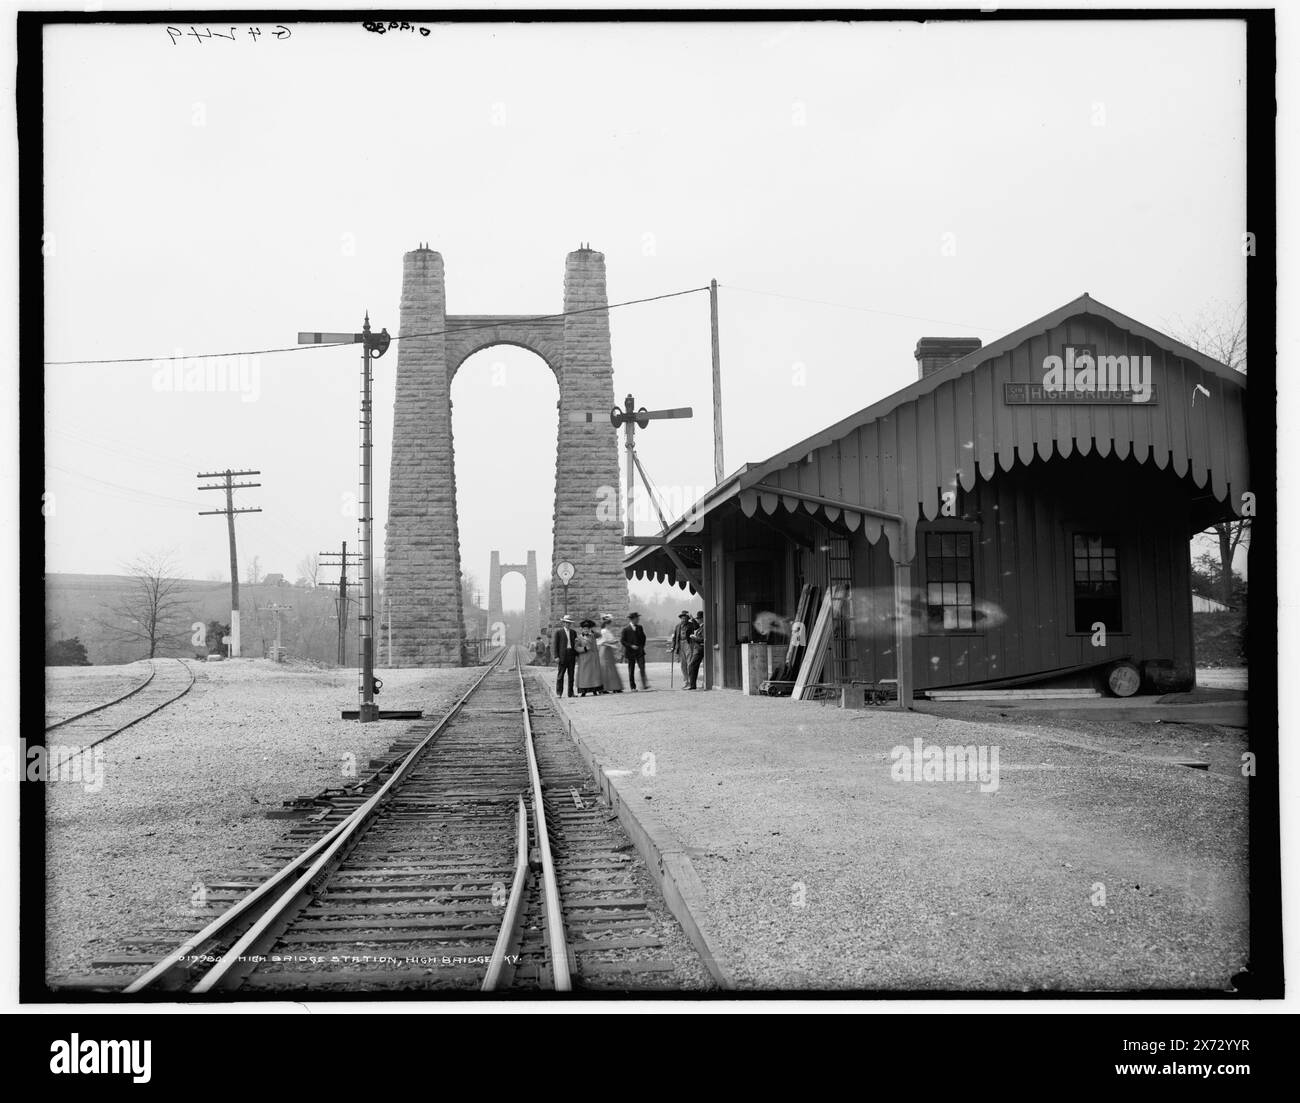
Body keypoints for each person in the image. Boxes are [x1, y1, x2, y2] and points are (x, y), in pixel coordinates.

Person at [620, 611, 648, 691]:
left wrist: (641, 647)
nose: (638, 620)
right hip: (630, 652)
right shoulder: (625, 629)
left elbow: (643, 638)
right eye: (637, 618)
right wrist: (631, 646)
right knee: (631, 670)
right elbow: (622, 641)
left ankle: (644, 684)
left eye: (638, 618)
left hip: (639, 652)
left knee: (642, 667)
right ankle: (633, 687)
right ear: (632, 619)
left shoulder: (640, 627)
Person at [670, 610, 699, 690]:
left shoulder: (691, 625)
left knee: (689, 663)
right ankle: (686, 681)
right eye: (682, 618)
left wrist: (693, 619)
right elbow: (674, 638)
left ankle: (691, 682)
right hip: (680, 644)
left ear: (687, 618)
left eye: (685, 618)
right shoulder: (677, 626)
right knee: (683, 665)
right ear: (681, 618)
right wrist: (673, 647)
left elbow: (697, 627)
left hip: (688, 644)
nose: (683, 619)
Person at [575, 619, 603, 696]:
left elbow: (600, 635)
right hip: (584, 659)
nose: (586, 630)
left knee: (593, 675)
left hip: (593, 658)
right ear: (582, 629)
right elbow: (576, 647)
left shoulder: (593, 635)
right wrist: (584, 649)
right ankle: (583, 691)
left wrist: (592, 630)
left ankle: (594, 690)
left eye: (587, 628)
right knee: (585, 675)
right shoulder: (579, 637)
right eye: (584, 628)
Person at [598, 614, 624, 693]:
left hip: (608, 650)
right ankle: (605, 687)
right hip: (605, 650)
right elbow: (602, 642)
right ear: (606, 623)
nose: (610, 624)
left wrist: (613, 643)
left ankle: (613, 686)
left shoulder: (607, 631)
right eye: (609, 623)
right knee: (606, 668)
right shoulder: (604, 631)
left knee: (610, 668)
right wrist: (613, 642)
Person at [553, 615, 577, 697]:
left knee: (571, 676)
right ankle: (559, 693)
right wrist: (556, 656)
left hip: (571, 655)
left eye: (569, 623)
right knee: (560, 675)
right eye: (566, 623)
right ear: (564, 623)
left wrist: (577, 655)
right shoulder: (559, 632)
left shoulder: (573, 632)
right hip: (562, 656)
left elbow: (576, 645)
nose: (568, 624)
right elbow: (555, 645)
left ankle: (570, 693)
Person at [687, 609, 706, 690]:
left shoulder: (704, 627)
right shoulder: (701, 627)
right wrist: (692, 619)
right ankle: (692, 685)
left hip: (700, 649)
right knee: (694, 666)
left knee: (691, 666)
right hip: (697, 649)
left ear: (701, 619)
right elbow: (696, 626)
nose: (697, 620)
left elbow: (702, 639)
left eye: (698, 618)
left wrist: (694, 638)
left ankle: (692, 685)